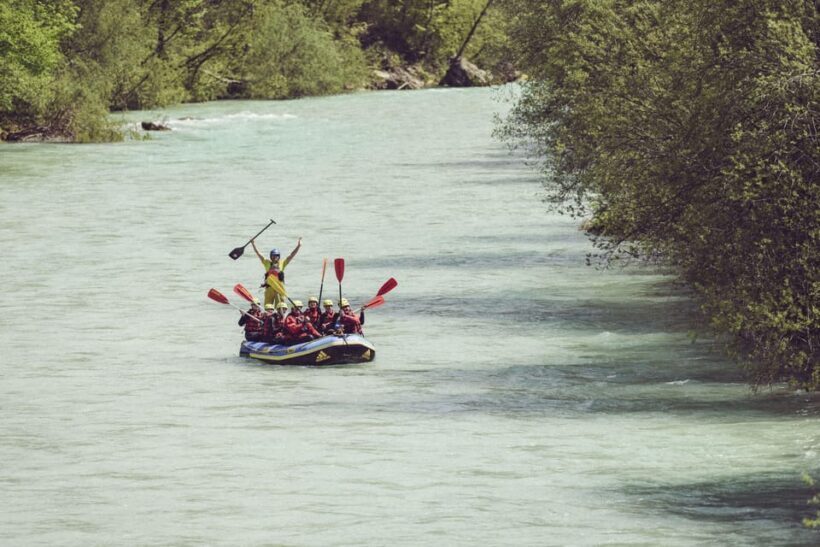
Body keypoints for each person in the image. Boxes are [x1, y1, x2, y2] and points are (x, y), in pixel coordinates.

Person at [251, 237, 302, 307]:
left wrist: (298, 246)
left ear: (279, 256)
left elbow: (291, 255)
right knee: (268, 306)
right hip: (269, 288)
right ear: (270, 256)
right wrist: (253, 244)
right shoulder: (266, 263)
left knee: (280, 306)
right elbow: (258, 253)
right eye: (273, 256)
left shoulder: (283, 263)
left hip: (279, 288)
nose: (275, 257)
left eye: (277, 256)